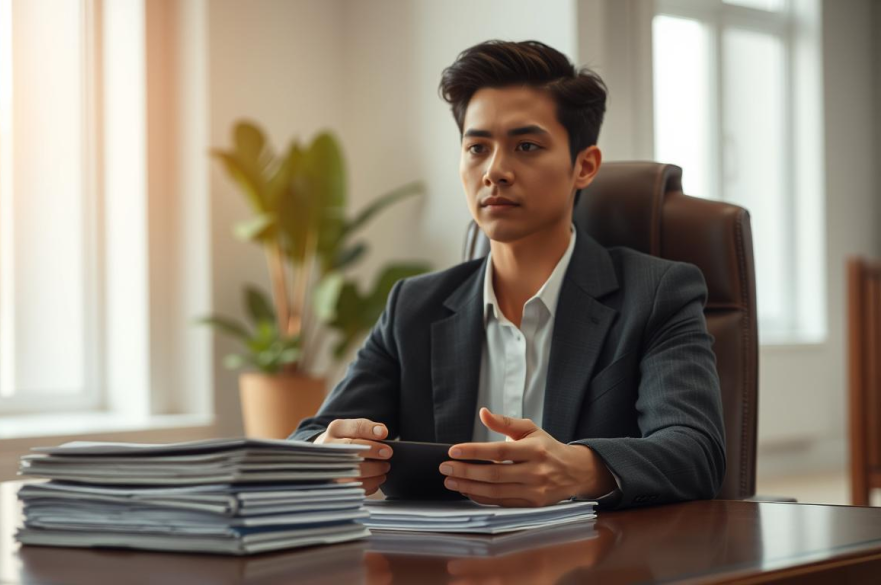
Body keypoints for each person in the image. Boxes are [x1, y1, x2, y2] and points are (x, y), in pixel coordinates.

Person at [289, 40, 725, 509]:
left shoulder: (657, 293)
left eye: (527, 146)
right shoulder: (413, 306)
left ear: (584, 165)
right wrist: (327, 454)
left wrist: (576, 468)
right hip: (441, 565)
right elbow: (306, 439)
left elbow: (696, 452)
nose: (495, 170)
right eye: (477, 147)